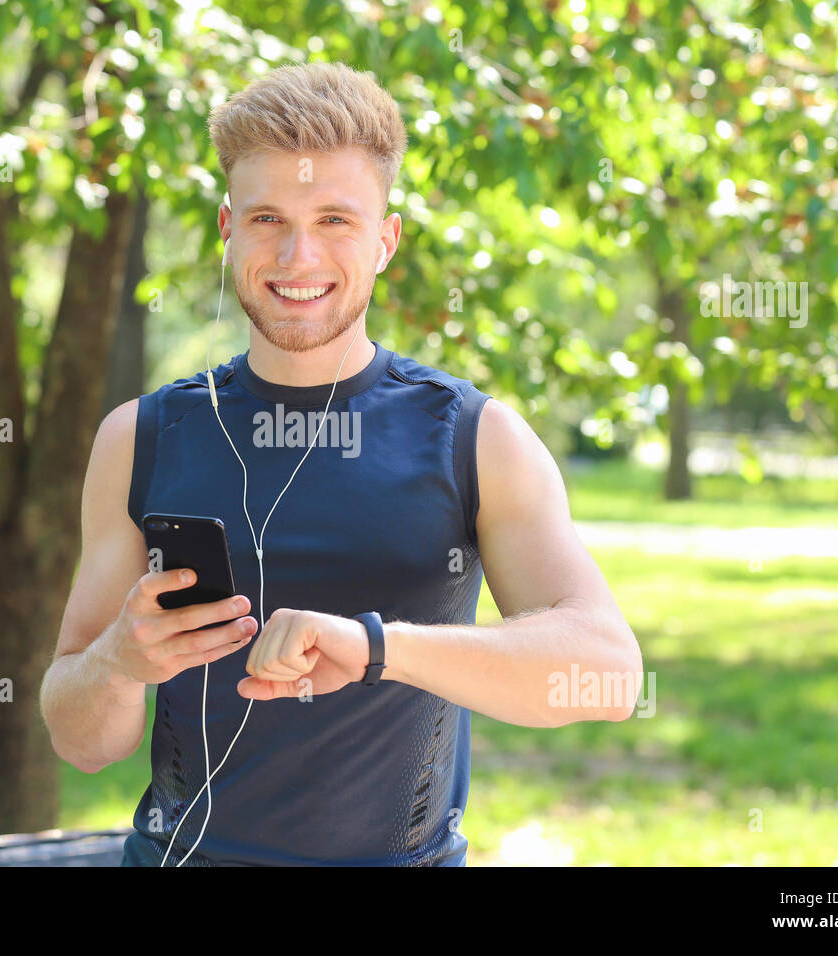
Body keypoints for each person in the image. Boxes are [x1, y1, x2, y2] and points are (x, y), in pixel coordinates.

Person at [39, 62, 642, 866]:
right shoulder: (140, 436)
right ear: (227, 229)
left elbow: (607, 677)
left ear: (385, 241)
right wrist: (118, 661)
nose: (297, 255)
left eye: (334, 220)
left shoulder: (474, 436)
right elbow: (79, 739)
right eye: (266, 219)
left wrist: (378, 648)